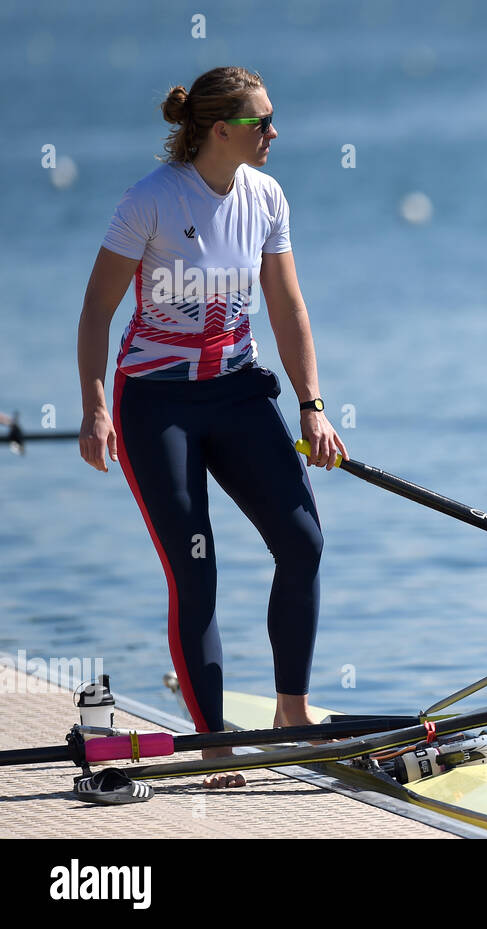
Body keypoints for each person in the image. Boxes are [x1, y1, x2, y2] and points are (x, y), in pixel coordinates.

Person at [76, 66, 347, 788]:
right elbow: (97, 311)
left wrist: (312, 404)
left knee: (303, 540)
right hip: (158, 403)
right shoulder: (151, 201)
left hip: (236, 392)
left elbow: (288, 309)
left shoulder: (267, 197)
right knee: (195, 570)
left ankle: (293, 708)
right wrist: (95, 405)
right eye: (262, 122)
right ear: (220, 128)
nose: (275, 133)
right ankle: (214, 744)